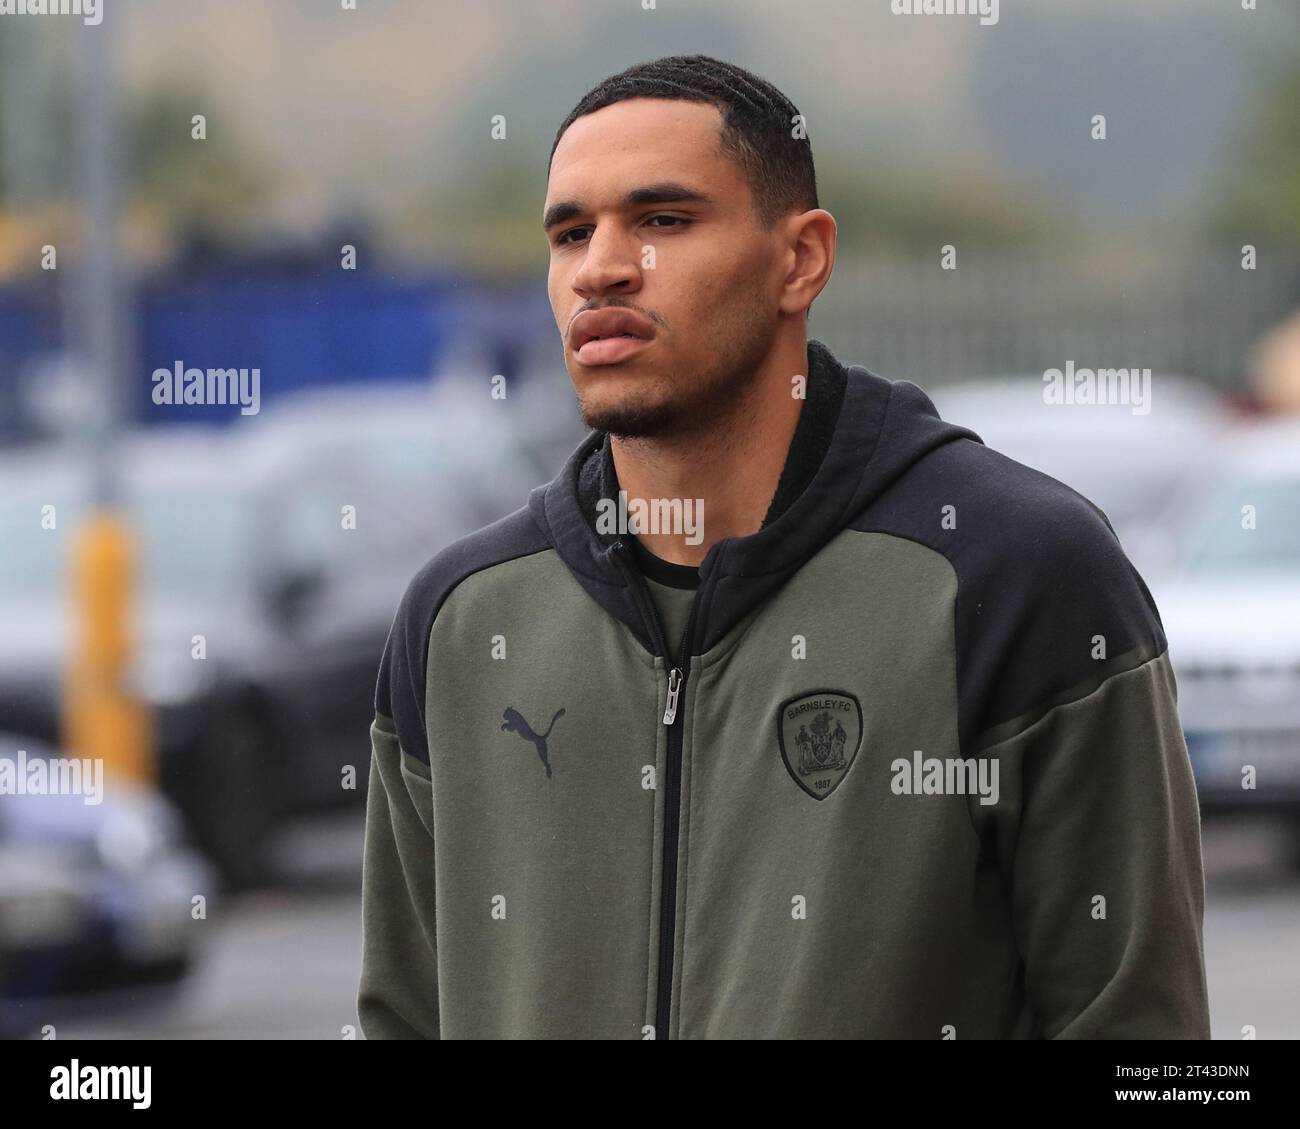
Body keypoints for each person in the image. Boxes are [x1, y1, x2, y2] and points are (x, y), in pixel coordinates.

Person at [357, 54, 1210, 1039]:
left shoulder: (1013, 572)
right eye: (570, 232)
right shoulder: (463, 619)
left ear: (799, 260)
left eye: (663, 220)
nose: (601, 267)